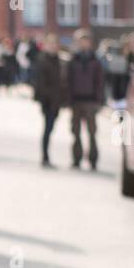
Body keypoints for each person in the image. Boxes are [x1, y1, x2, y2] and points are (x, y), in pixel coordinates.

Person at [66, 28, 105, 170]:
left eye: (86, 41)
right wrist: (68, 99)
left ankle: (93, 159)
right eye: (81, 41)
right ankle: (76, 158)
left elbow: (100, 82)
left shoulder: (95, 61)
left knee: (92, 132)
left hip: (90, 101)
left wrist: (99, 100)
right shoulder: (73, 60)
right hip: (76, 100)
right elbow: (68, 81)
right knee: (75, 132)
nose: (83, 44)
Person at [32, 34, 65, 168]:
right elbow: (39, 83)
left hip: (56, 101)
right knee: (47, 129)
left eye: (55, 44)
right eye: (50, 44)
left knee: (50, 128)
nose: (53, 47)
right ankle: (45, 157)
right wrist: (44, 99)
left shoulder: (59, 61)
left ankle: (46, 156)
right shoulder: (42, 61)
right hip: (47, 102)